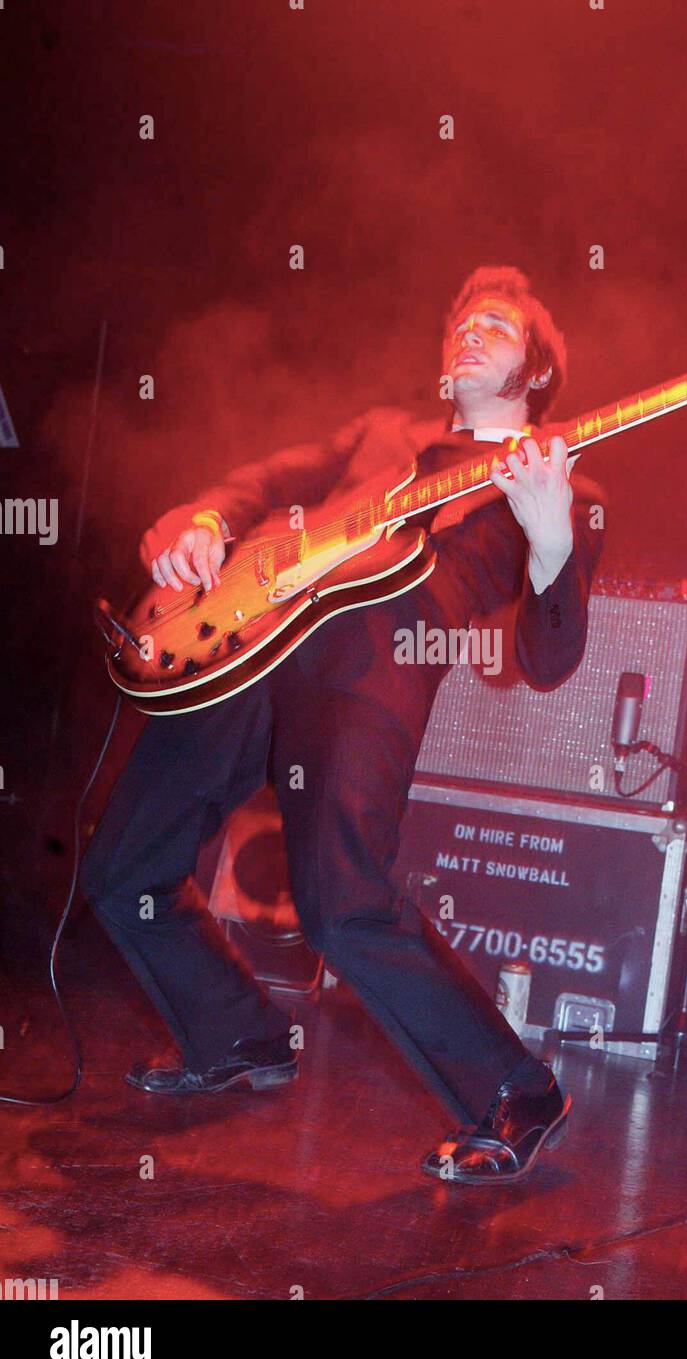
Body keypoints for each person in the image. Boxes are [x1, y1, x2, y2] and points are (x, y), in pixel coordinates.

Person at [81, 266, 601, 1185]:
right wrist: (204, 519)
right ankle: (238, 1035)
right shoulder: (385, 434)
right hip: (249, 641)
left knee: (340, 900)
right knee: (124, 865)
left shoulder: (567, 485)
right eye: (462, 320)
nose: (470, 333)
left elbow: (550, 662)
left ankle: (519, 1091)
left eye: (498, 326)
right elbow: (270, 478)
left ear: (539, 372)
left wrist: (551, 539)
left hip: (369, 669)